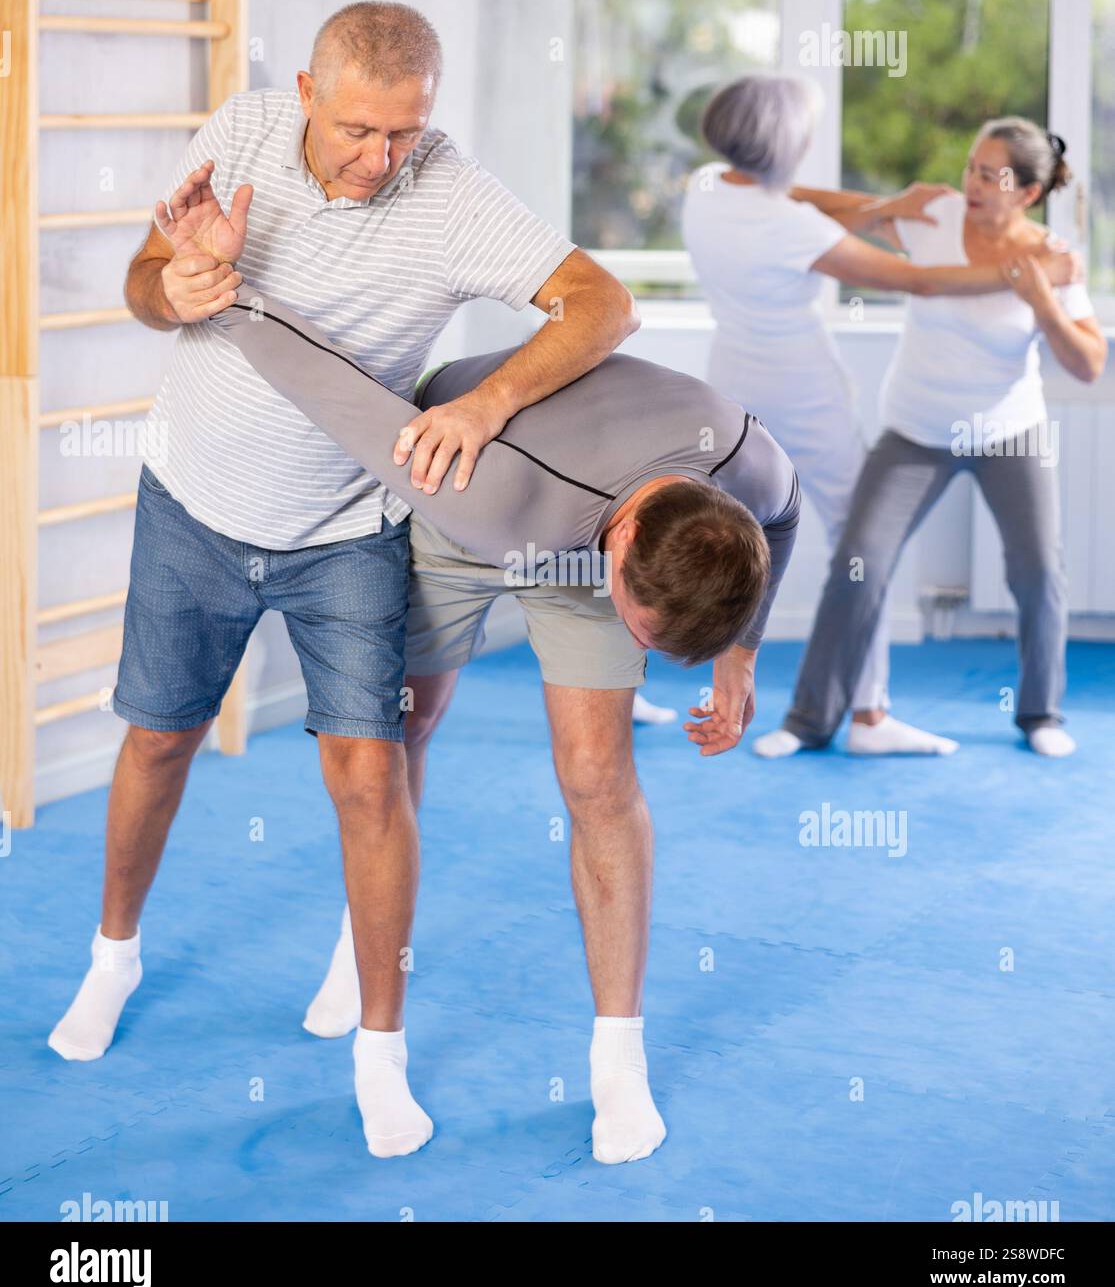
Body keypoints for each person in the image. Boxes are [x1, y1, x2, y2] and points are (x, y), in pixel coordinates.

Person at [47, 1, 641, 1163]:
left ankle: (380, 1051)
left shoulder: (447, 191)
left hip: (348, 529)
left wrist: (487, 402)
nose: (381, 157)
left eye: (403, 131)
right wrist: (177, 286)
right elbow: (142, 280)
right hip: (191, 505)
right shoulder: (241, 129)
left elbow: (603, 302)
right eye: (359, 130)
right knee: (156, 740)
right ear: (308, 94)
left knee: (371, 777)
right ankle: (112, 958)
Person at [201, 275, 801, 1164]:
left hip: (590, 513)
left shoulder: (747, 463)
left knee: (597, 779)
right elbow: (335, 392)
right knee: (405, 730)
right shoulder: (480, 490)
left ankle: (618, 1067)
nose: (641, 650)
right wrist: (225, 294)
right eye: (641, 631)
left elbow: (783, 518)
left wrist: (739, 653)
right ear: (625, 551)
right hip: (469, 498)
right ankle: (361, 940)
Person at [680, 75, 1084, 758]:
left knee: (1037, 569)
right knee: (852, 557)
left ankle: (1030, 714)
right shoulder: (923, 220)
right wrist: (1022, 272)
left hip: (1001, 429)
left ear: (1029, 191)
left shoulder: (706, 186)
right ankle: (824, 717)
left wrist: (1040, 288)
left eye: (991, 174)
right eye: (971, 168)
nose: (973, 183)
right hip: (887, 419)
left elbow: (1087, 362)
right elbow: (906, 271)